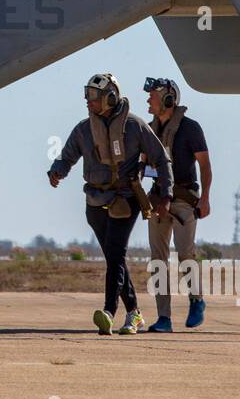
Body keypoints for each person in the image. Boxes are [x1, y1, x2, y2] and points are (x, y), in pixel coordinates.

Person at [48, 73, 172, 336]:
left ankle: (107, 312)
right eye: (87, 96)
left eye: (93, 97)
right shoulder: (83, 129)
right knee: (114, 258)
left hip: (125, 200)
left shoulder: (136, 126)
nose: (88, 101)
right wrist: (56, 171)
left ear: (111, 97)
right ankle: (135, 314)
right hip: (95, 201)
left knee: (115, 255)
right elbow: (67, 156)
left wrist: (166, 192)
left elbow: (162, 159)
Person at [142, 77, 211, 332]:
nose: (149, 100)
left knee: (185, 253)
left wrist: (205, 198)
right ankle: (164, 318)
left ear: (169, 100)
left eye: (153, 96)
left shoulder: (190, 128)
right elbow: (143, 165)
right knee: (157, 258)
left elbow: (204, 165)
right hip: (158, 200)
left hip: (185, 200)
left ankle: (196, 300)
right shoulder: (148, 130)